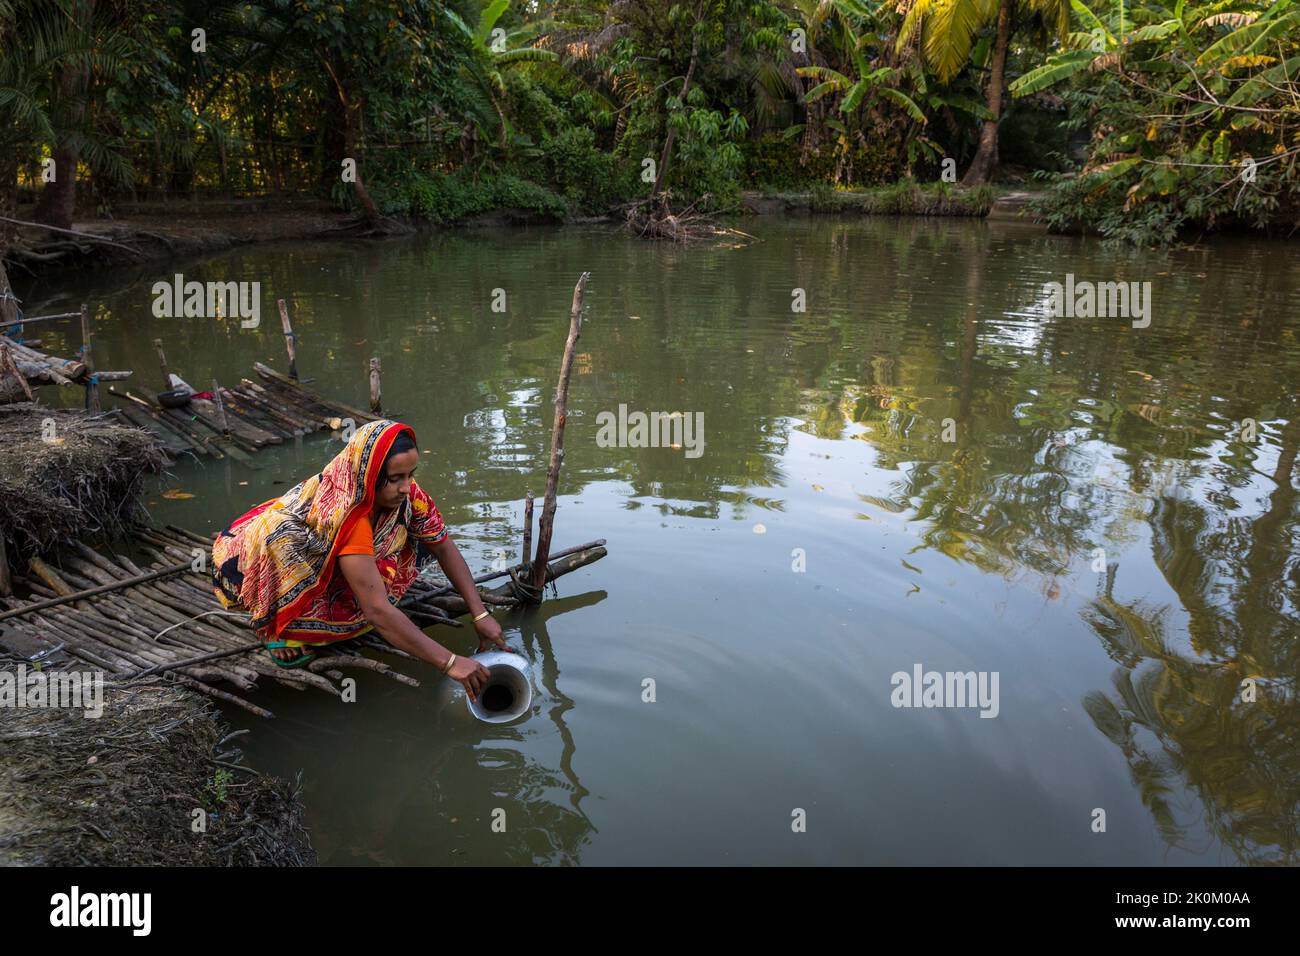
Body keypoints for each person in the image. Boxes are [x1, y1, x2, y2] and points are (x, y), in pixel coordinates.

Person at [211, 418, 510, 702]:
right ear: (368, 476)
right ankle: (279, 626)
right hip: (264, 564)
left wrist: (480, 614)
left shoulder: (407, 495)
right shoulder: (349, 517)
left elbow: (443, 546)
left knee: (419, 537)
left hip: (340, 554)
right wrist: (450, 663)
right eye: (395, 479)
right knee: (282, 542)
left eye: (410, 475)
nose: (406, 487)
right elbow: (377, 612)